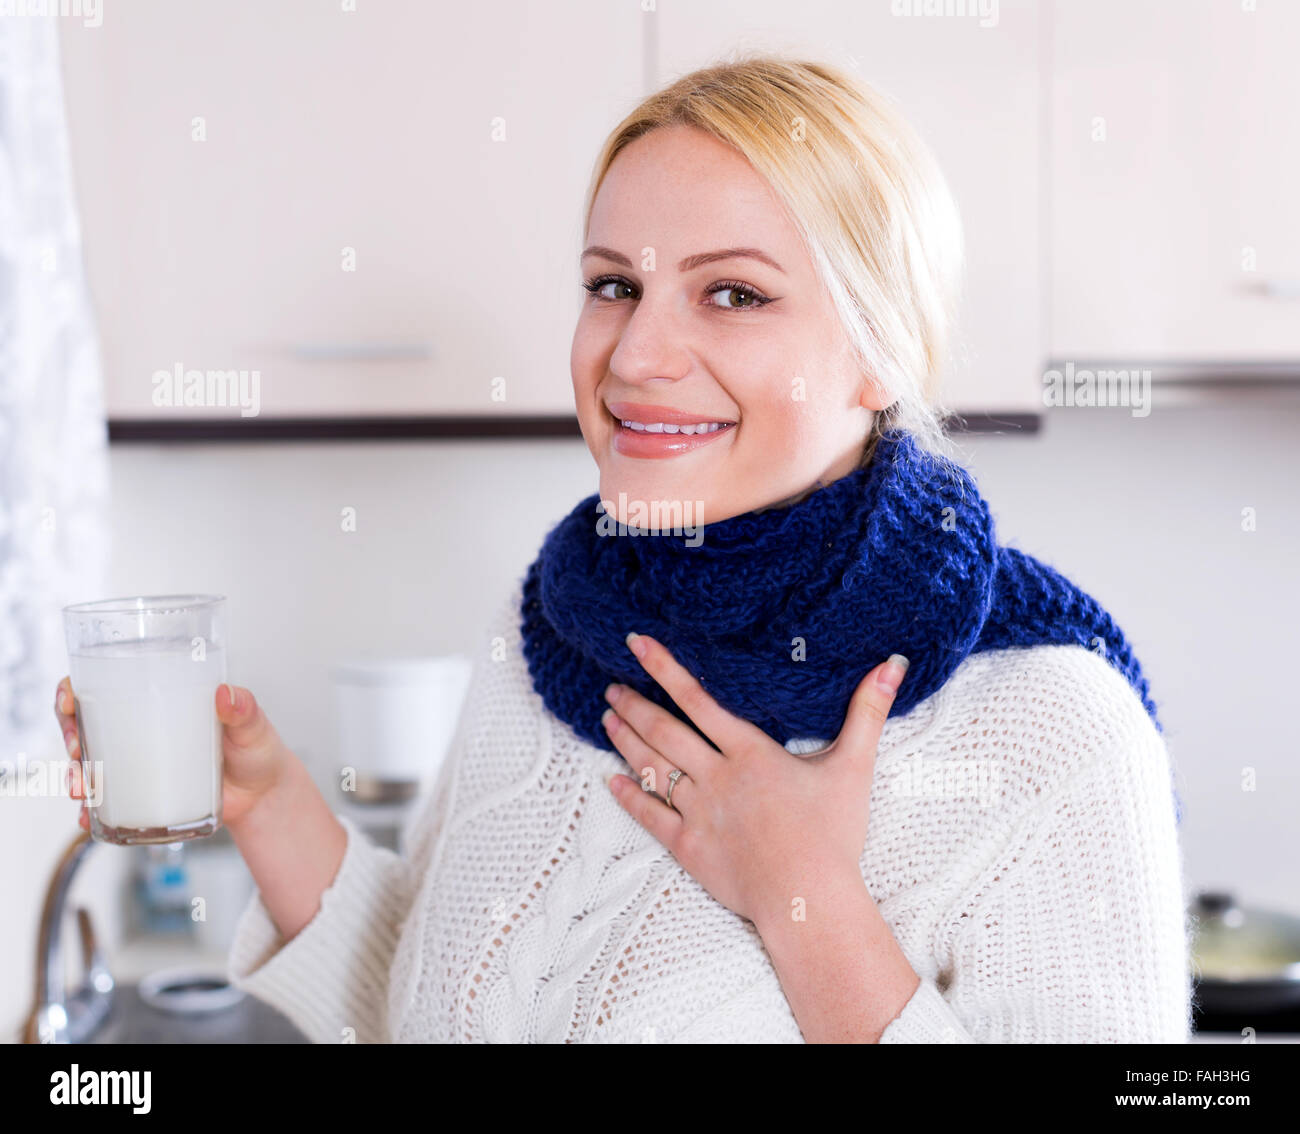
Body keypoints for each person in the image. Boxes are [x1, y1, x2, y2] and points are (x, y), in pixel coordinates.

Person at [54, 53, 1190, 1043]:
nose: (637, 353)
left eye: (733, 294)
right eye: (614, 285)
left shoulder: (1052, 728)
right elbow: (433, 1012)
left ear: (876, 356)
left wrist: (803, 899)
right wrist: (269, 805)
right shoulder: (552, 625)